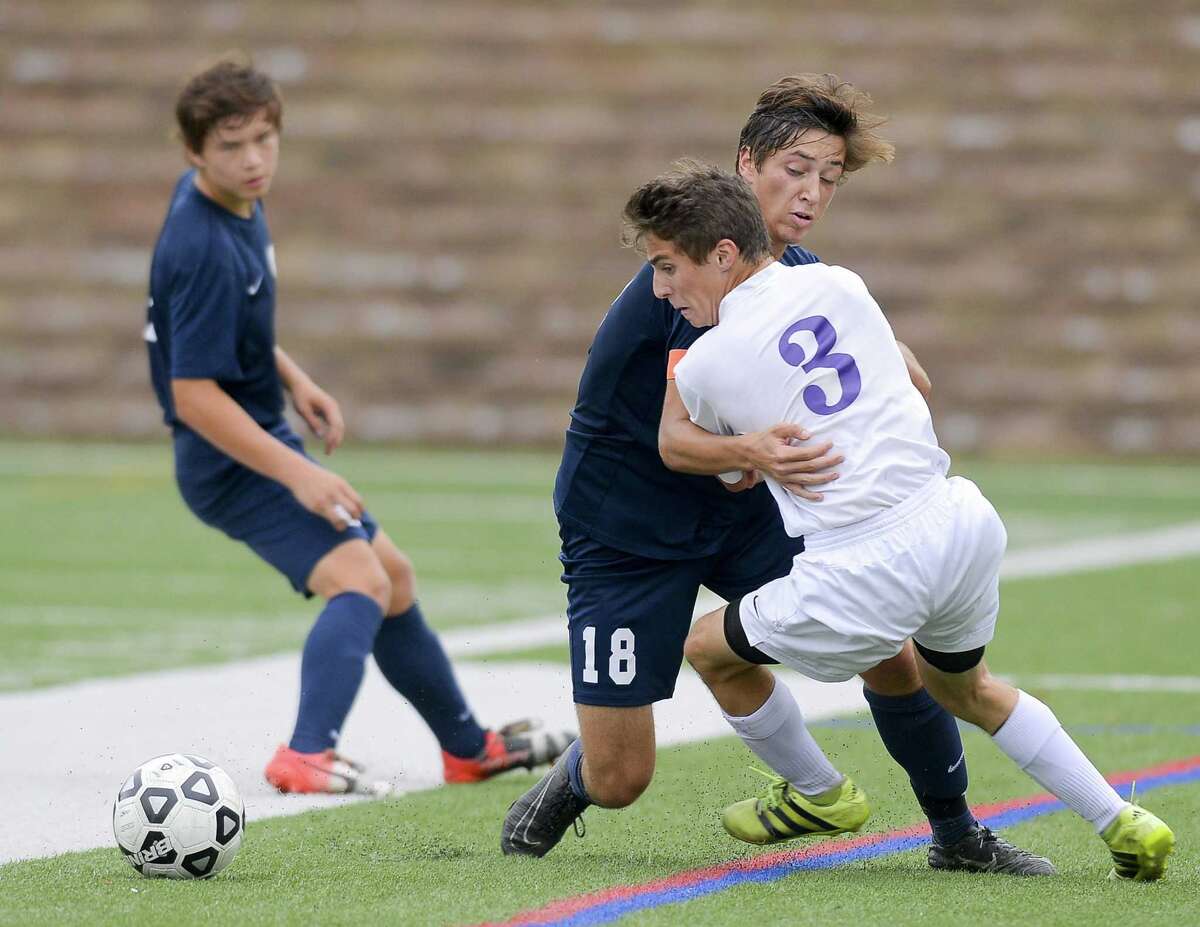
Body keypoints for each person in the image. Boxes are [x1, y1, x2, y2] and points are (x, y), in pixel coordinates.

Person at [503, 75, 1049, 875]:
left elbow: (898, 376)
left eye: (829, 178)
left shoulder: (797, 276)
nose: (812, 193)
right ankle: (575, 778)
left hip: (739, 510)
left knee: (889, 650)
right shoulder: (683, 275)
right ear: (746, 164)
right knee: (622, 777)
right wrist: (755, 453)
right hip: (627, 528)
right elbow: (675, 443)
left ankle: (958, 835)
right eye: (795, 170)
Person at [631, 159, 1175, 881]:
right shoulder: (842, 283)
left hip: (864, 563)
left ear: (724, 254)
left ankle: (820, 792)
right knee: (970, 689)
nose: (662, 288)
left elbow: (704, 456)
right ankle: (1122, 819)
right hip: (956, 521)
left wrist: (745, 451)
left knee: (708, 649)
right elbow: (908, 377)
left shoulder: (707, 362)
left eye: (667, 267)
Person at [144, 58, 571, 796]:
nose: (253, 160)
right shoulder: (203, 244)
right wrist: (301, 474)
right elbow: (193, 395)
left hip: (259, 434)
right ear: (193, 152)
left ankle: (467, 748)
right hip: (226, 459)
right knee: (361, 580)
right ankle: (305, 753)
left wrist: (293, 378)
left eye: (263, 139)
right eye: (230, 147)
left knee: (392, 574)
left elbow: (227, 331)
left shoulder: (233, 202)